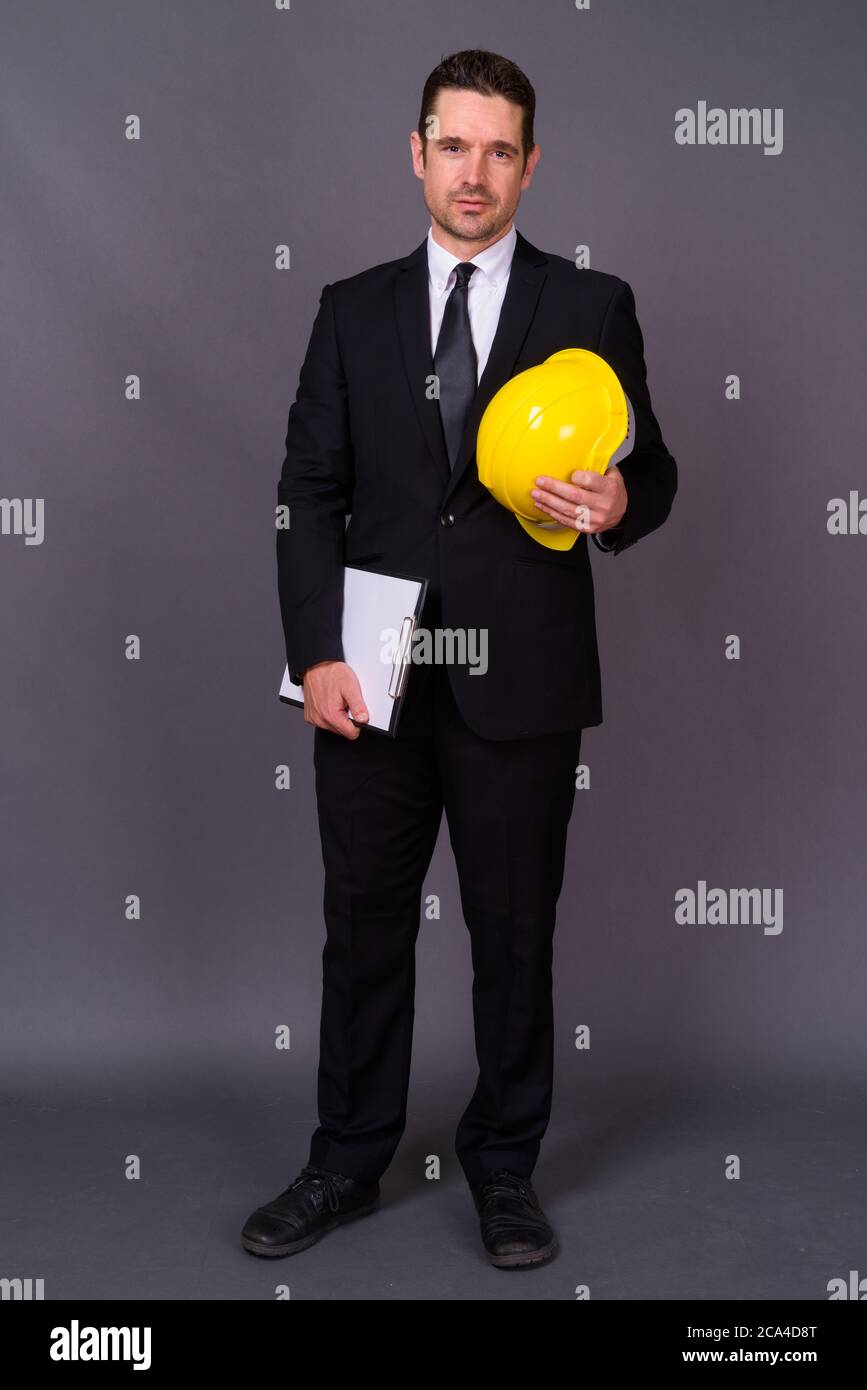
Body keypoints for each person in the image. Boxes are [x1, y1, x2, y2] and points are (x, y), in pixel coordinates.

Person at [242, 48, 677, 1270]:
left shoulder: (592, 309)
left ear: (530, 165)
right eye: (453, 145)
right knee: (362, 925)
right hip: (370, 681)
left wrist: (615, 500)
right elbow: (306, 492)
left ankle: (505, 1173)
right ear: (416, 153)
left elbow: (660, 471)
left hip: (521, 683)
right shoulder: (350, 307)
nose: (473, 172)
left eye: (499, 149)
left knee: (512, 933)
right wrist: (314, 650)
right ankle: (343, 1161)